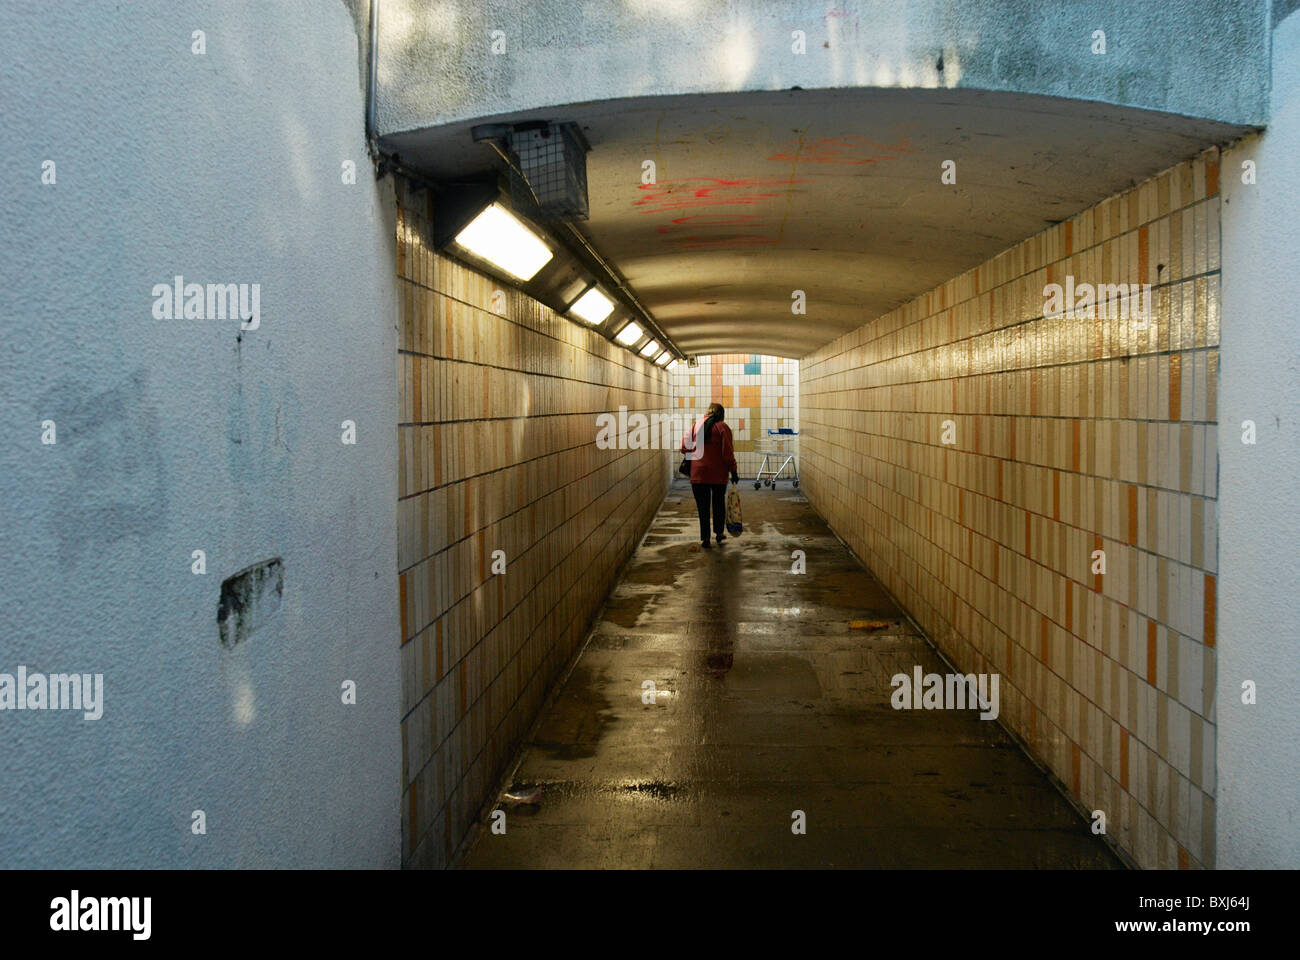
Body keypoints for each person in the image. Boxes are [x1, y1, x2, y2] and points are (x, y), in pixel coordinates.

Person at [681, 402, 739, 549]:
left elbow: (683, 447)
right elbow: (727, 453)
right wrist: (733, 470)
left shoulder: (696, 425)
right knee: (718, 504)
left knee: (703, 508)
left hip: (698, 474)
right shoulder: (722, 427)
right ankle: (719, 534)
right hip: (718, 475)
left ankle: (705, 538)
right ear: (721, 414)